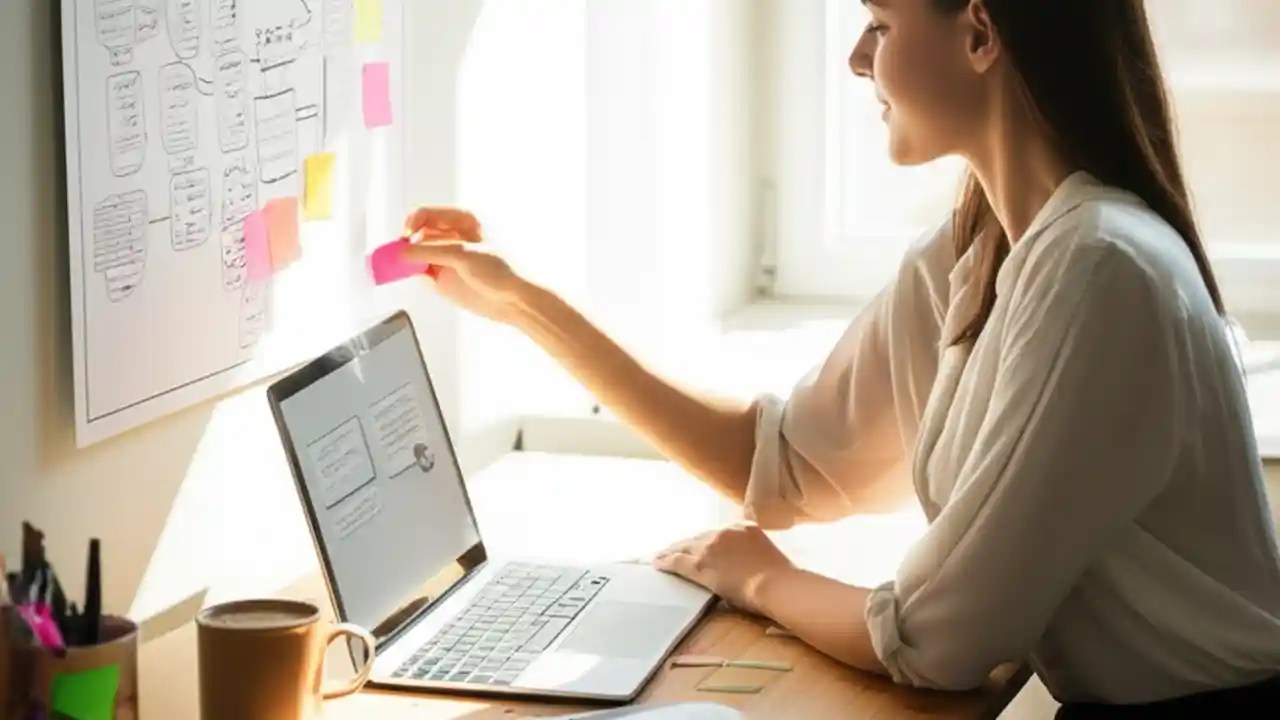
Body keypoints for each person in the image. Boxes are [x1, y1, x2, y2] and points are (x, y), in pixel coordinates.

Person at [399, 0, 1280, 715]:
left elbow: (941, 642)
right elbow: (785, 467)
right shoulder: (980, 250)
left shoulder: (1099, 267)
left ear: (980, 33)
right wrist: (522, 303)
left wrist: (762, 579)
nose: (859, 60)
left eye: (881, 24)